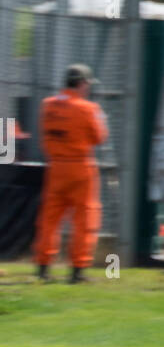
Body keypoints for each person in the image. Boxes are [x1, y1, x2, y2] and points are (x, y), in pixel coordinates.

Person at [33, 64, 108, 283]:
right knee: (85, 219)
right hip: (80, 167)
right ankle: (77, 270)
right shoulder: (87, 108)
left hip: (56, 167)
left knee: (49, 219)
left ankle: (43, 268)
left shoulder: (47, 105)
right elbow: (99, 137)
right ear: (82, 83)